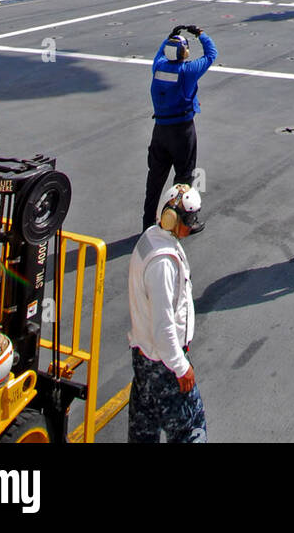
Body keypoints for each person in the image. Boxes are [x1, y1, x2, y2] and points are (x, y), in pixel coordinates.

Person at [128, 182, 207, 443]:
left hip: (144, 361)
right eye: (189, 219)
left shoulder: (151, 237)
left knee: (144, 430)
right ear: (172, 218)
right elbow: (164, 326)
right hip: (164, 367)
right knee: (191, 428)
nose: (192, 225)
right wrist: (181, 367)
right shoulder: (162, 263)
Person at [142, 23, 217, 232]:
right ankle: (182, 222)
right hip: (182, 131)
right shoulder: (188, 71)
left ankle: (147, 222)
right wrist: (201, 34)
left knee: (155, 178)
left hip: (160, 131)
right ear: (184, 52)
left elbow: (160, 52)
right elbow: (212, 54)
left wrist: (170, 36)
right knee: (184, 179)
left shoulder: (158, 66)